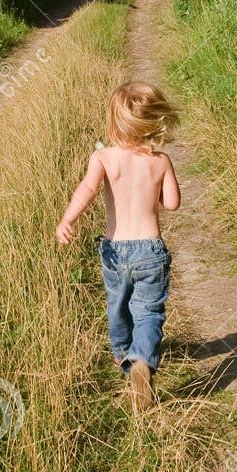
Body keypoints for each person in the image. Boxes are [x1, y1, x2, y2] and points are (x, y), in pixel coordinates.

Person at [57, 82, 181, 410]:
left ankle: (124, 353)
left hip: (116, 250)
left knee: (118, 305)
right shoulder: (161, 161)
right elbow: (172, 203)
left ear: (115, 122)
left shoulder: (104, 157)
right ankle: (143, 359)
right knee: (149, 312)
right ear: (153, 122)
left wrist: (68, 220)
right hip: (150, 250)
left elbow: (87, 189)